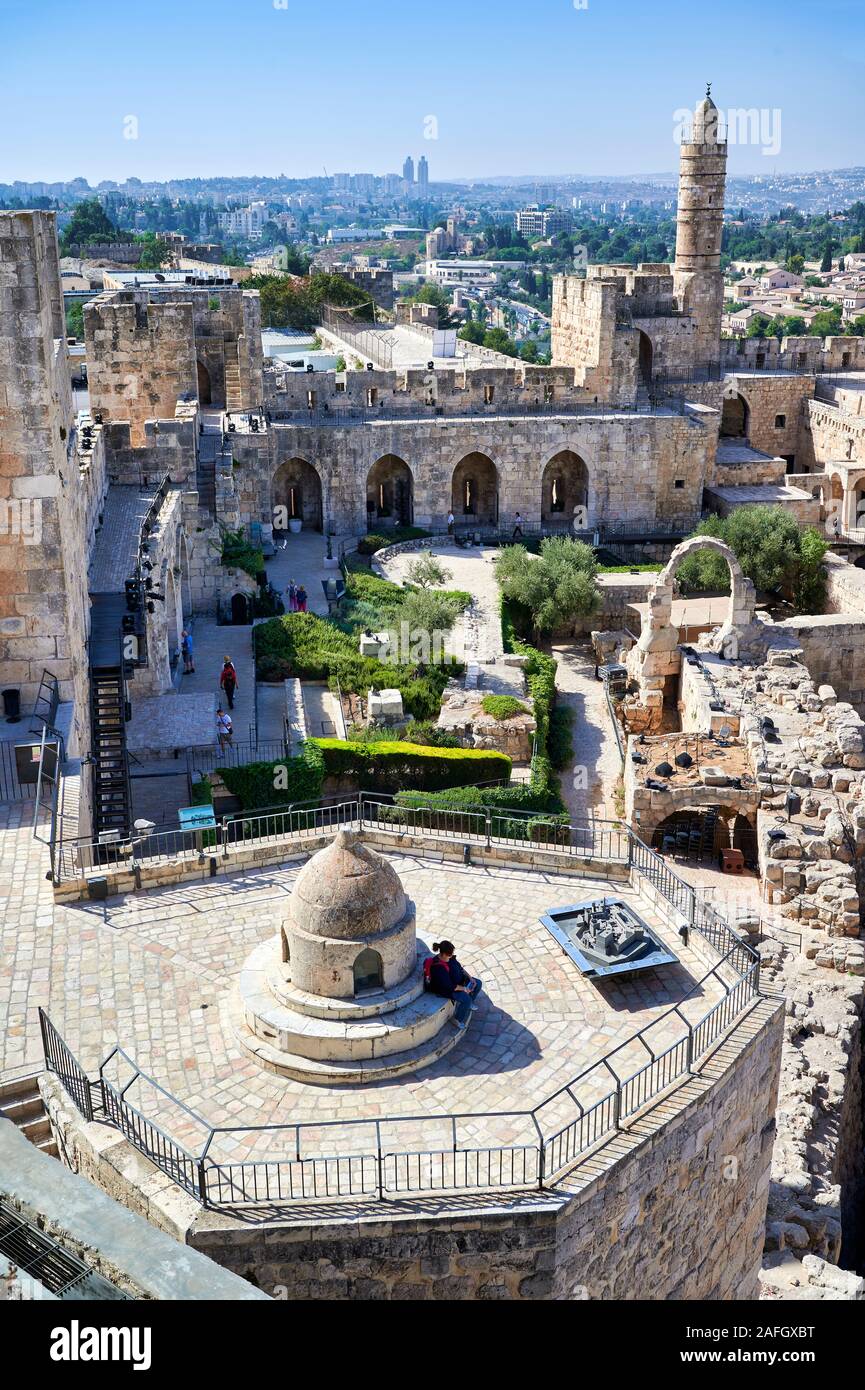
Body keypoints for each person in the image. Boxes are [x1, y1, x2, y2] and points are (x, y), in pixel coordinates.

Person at [428, 940, 483, 1028]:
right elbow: (450, 986)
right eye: (450, 955)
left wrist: (470, 978)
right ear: (444, 954)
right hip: (447, 989)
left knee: (478, 983)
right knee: (466, 999)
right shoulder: (438, 968)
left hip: (459, 982)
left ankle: (469, 1003)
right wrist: (464, 989)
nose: (451, 957)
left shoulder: (449, 958)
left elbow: (460, 968)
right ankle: (457, 1019)